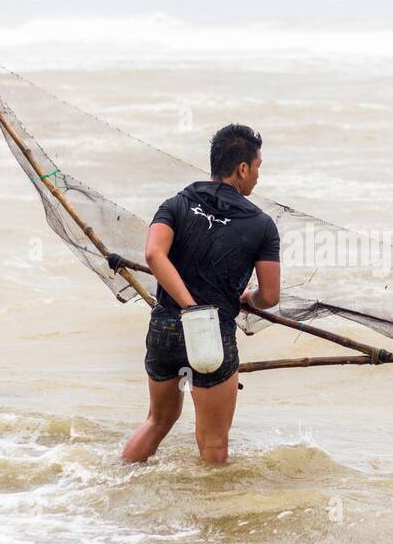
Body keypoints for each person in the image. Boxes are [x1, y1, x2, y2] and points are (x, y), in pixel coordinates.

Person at [113, 124, 280, 464]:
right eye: (258, 167)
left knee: (158, 421)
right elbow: (271, 296)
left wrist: (186, 307)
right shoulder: (261, 225)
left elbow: (153, 255)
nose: (258, 177)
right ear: (243, 168)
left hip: (166, 330)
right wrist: (247, 301)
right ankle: (215, 515)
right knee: (214, 441)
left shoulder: (177, 204)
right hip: (210, 338)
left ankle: (116, 479)